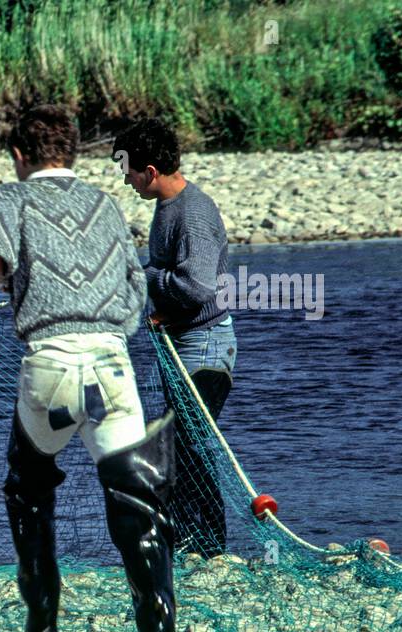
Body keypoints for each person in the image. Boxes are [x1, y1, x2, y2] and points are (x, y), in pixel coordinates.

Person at [0, 104, 190, 632]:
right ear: (74, 155)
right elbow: (133, 284)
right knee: (138, 512)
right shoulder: (106, 204)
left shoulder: (9, 198)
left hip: (51, 366)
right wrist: (113, 327)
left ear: (20, 156)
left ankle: (42, 625)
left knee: (29, 484)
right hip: (113, 367)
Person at [114, 118, 234, 558]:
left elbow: (199, 288)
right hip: (181, 346)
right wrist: (160, 307)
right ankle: (193, 546)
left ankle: (207, 549)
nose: (124, 179)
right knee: (182, 444)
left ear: (149, 170)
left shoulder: (193, 213)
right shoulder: (167, 207)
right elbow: (181, 284)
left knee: (183, 444)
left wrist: (145, 276)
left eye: (126, 171)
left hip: (206, 349)